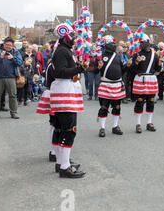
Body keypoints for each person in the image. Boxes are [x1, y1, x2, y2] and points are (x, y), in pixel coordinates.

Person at [50, 23, 88, 178]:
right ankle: (64, 167)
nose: (74, 38)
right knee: (69, 130)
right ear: (65, 36)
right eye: (72, 35)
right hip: (64, 92)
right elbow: (60, 72)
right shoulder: (61, 51)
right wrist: (79, 69)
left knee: (60, 128)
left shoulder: (64, 50)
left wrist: (78, 67)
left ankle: (61, 162)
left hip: (65, 91)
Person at [131, 33, 163, 133]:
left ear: (148, 43)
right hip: (140, 79)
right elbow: (132, 69)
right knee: (140, 100)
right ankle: (138, 124)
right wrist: (136, 62)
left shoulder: (155, 55)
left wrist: (160, 63)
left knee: (151, 100)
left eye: (142, 42)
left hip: (151, 79)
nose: (141, 44)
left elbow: (157, 69)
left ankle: (149, 123)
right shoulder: (137, 54)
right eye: (140, 43)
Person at [96, 36, 128, 138]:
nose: (114, 45)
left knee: (117, 107)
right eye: (111, 44)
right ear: (106, 45)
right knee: (103, 107)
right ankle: (102, 128)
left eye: (114, 43)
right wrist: (98, 67)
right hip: (105, 85)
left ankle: (115, 126)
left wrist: (128, 65)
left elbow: (122, 70)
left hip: (117, 85)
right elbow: (94, 71)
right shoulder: (100, 56)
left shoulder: (117, 56)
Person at [0, 37, 23, 119]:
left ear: (12, 45)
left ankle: (13, 113)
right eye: (6, 44)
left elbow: (20, 62)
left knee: (13, 95)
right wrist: (1, 58)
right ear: (4, 44)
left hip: (11, 77)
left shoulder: (15, 52)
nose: (8, 46)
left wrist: (13, 58)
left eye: (10, 45)